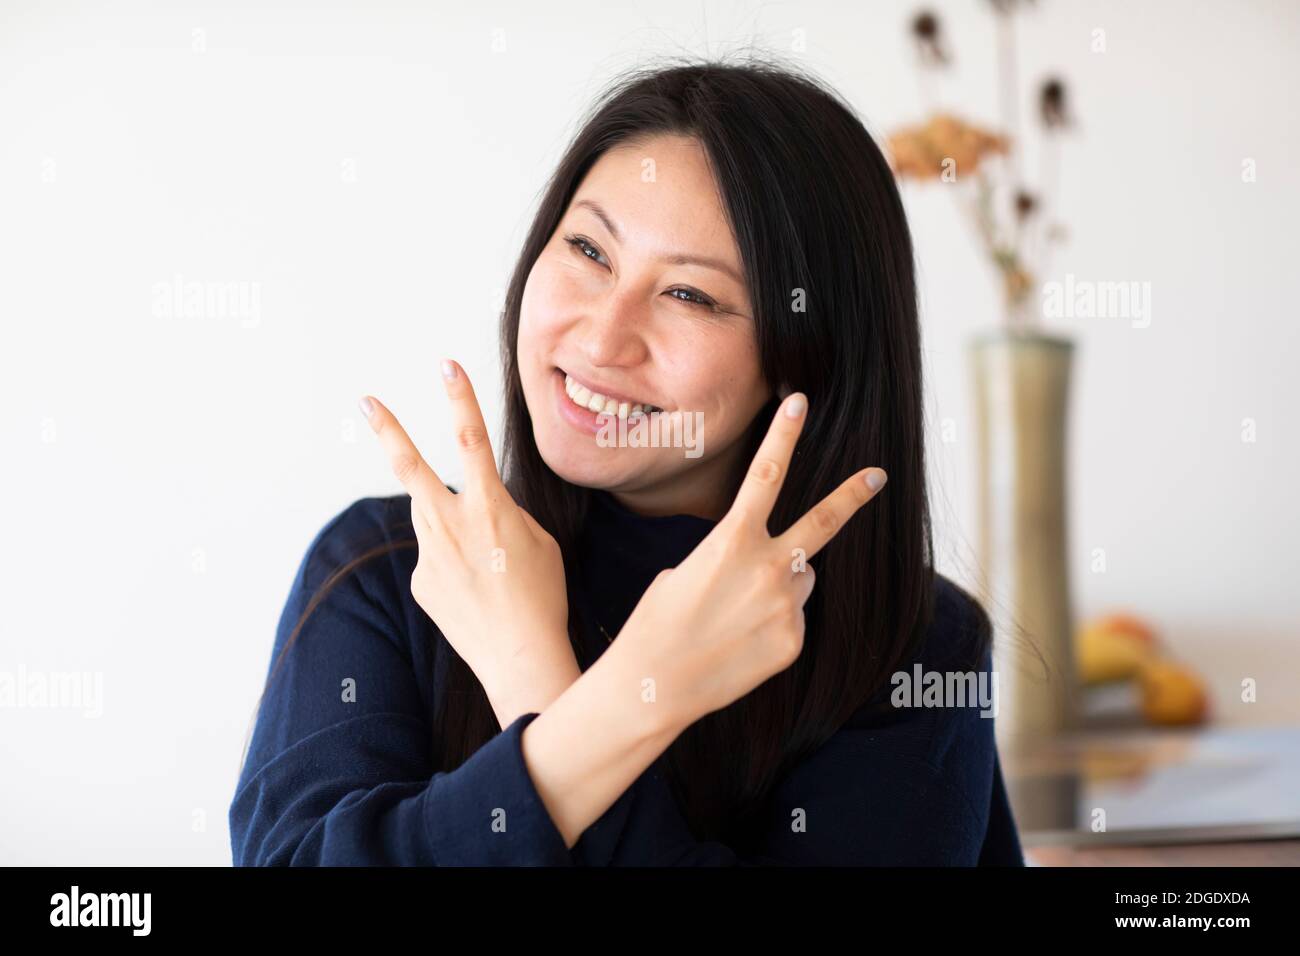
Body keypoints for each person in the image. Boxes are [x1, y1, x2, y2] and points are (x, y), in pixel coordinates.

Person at [229, 56, 1025, 866]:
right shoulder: (393, 572)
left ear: (804, 359)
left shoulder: (907, 645)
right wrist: (613, 699)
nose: (602, 337)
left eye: (690, 295)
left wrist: (535, 676)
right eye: (588, 249)